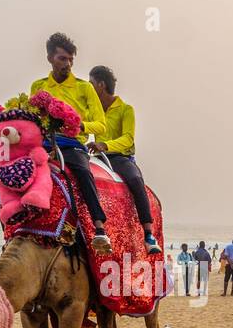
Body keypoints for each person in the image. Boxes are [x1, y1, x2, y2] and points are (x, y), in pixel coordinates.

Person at [32, 33, 112, 254]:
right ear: (50, 58)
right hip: (45, 144)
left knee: (83, 172)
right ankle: (14, 229)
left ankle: (99, 227)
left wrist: (79, 126)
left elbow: (101, 125)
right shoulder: (38, 87)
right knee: (15, 172)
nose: (67, 64)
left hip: (73, 144)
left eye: (70, 59)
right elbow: (32, 119)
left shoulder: (84, 88)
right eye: (62, 58)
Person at [87, 65, 160, 254]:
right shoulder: (93, 111)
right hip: (98, 158)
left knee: (135, 180)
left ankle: (148, 234)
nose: (89, 87)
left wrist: (106, 145)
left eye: (91, 83)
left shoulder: (126, 109)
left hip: (119, 157)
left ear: (101, 85)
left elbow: (128, 138)